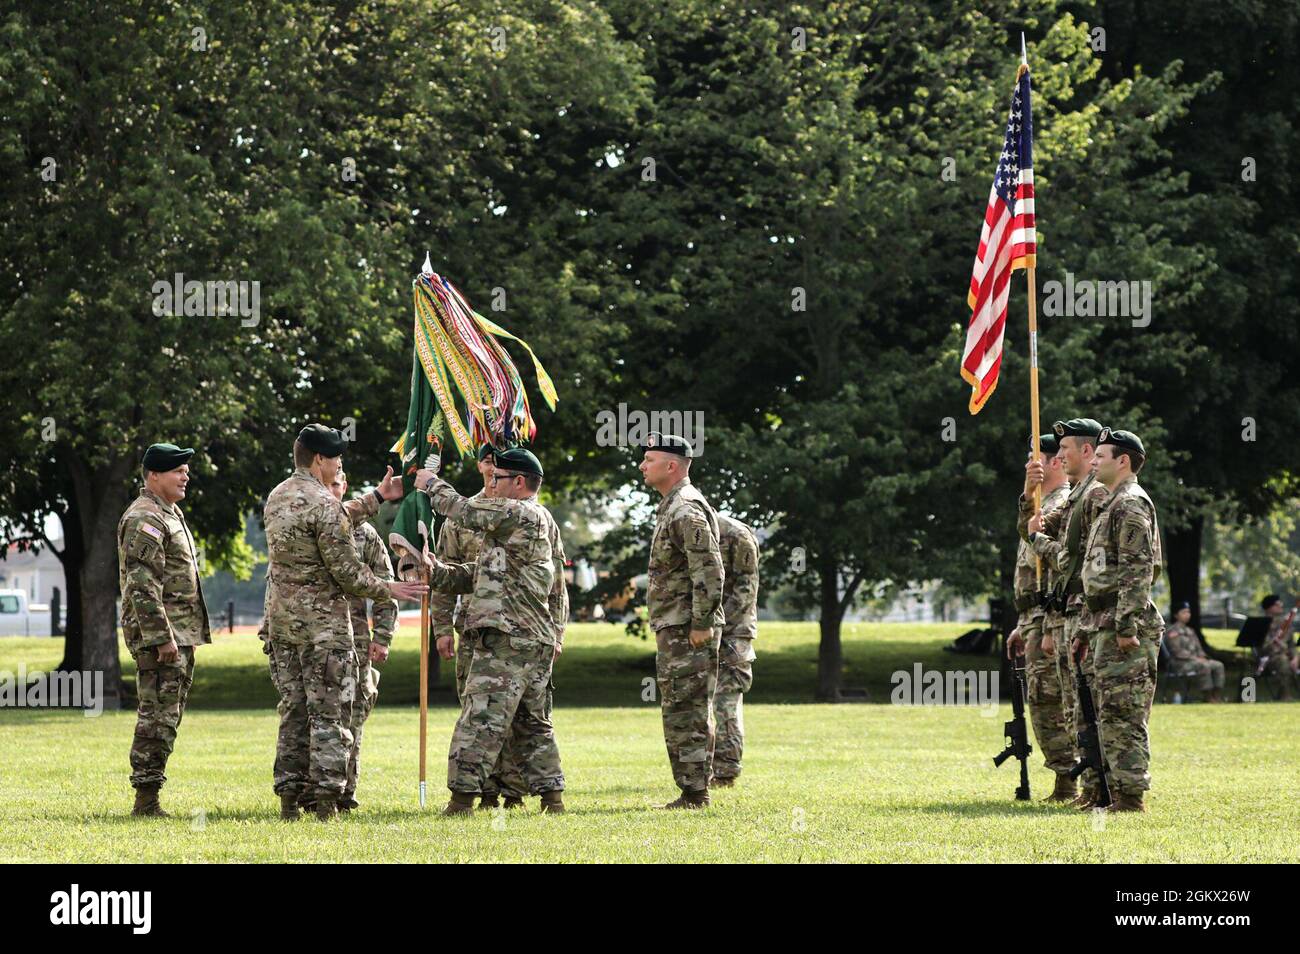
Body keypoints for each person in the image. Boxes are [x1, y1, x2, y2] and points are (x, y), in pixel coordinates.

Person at [263, 424, 424, 820]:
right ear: (320, 459)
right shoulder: (322, 502)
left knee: (294, 712)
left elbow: (329, 519)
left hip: (284, 627)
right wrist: (388, 588)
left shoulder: (278, 496)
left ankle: (289, 800)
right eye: (337, 459)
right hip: (324, 630)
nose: (339, 465)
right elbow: (347, 572)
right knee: (330, 716)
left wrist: (376, 498)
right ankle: (326, 803)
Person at [416, 447, 568, 815]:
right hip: (531, 637)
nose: (491, 485)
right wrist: (435, 571)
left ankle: (461, 801)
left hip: (508, 638)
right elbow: (478, 574)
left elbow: (463, 509)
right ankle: (552, 799)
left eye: (498, 478)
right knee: (532, 723)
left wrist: (430, 483)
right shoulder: (535, 519)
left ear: (519, 482)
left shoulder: (517, 512)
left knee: (480, 718)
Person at [430, 443, 528, 808]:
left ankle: (513, 791)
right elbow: (442, 576)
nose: (492, 469)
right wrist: (441, 629)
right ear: (480, 465)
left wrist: (558, 630)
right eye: (488, 461)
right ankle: (484, 790)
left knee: (517, 711)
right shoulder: (460, 517)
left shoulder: (527, 513)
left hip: (517, 627)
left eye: (499, 464)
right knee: (478, 710)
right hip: (473, 626)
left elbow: (554, 584)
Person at [117, 443, 212, 817]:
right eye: (177, 470)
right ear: (154, 475)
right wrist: (161, 638)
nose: (185, 475)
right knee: (157, 717)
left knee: (167, 716)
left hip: (179, 635)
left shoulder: (169, 513)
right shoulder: (146, 518)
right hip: (164, 639)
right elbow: (141, 585)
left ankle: (150, 794)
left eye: (186, 470)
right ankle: (146, 800)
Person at [1022, 417, 1111, 809]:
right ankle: (1080, 783)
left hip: (1072, 614)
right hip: (1054, 615)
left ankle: (1093, 785)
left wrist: (1043, 622)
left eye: (1059, 453)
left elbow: (1064, 561)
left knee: (1077, 703)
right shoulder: (1071, 499)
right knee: (1064, 703)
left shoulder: (1083, 498)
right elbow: (1029, 535)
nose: (1043, 461)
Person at [1079, 428, 1164, 813]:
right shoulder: (1111, 504)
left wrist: (1127, 625)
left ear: (1123, 461)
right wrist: (1088, 625)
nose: (1094, 461)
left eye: (1101, 455)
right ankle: (1110, 792)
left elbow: (1137, 570)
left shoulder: (1130, 504)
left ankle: (1131, 798)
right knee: (1105, 710)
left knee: (1123, 711)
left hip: (1122, 624)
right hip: (1104, 620)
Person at [639, 432, 724, 809]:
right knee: (679, 706)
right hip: (675, 625)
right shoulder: (673, 507)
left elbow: (709, 570)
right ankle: (691, 790)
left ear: (671, 465)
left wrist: (701, 623)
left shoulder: (686, 508)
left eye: (649, 459)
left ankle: (695, 793)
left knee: (687, 707)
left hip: (687, 627)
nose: (642, 466)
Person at [1006, 432, 1074, 800]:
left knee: (1053, 698)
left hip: (1051, 616)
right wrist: (1023, 622)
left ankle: (1069, 778)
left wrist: (1047, 623)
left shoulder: (1061, 503)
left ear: (1054, 463)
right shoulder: (1037, 502)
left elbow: (1055, 570)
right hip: (1034, 616)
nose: (1029, 465)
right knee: (1042, 698)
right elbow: (1030, 565)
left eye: (1037, 459)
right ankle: (1065, 776)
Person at [326, 468, 399, 810]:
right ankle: (311, 790)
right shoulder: (306, 532)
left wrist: (382, 637)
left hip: (355, 641)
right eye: (326, 486)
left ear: (346, 488)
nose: (331, 491)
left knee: (354, 712)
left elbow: (386, 589)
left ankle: (344, 792)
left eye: (336, 485)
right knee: (317, 713)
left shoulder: (366, 536)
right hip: (316, 638)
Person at [711, 513, 759, 788]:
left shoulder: (736, 533)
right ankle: (707, 768)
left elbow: (746, 590)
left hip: (733, 634)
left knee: (726, 703)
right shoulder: (697, 527)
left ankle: (726, 771)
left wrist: (715, 623)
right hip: (707, 631)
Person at [1163, 602, 1224, 703]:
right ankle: (1207, 697)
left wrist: (1202, 656)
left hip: (1195, 661)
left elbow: (1199, 649)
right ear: (1176, 615)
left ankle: (1216, 695)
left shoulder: (1191, 631)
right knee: (1204, 665)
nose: (1187, 615)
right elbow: (1177, 652)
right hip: (1180, 664)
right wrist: (1196, 658)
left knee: (1218, 665)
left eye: (1188, 612)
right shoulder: (1172, 632)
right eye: (1184, 612)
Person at [1258, 594, 1298, 699]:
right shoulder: (1261, 624)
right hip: (1269, 658)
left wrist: (1295, 658)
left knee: (1286, 659)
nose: (1281, 605)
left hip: (1287, 655)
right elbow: (1262, 649)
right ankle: (1285, 695)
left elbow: (1292, 645)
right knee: (1283, 661)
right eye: (1277, 604)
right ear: (1269, 607)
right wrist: (1274, 643)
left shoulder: (1285, 624)